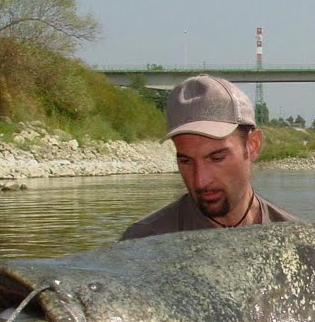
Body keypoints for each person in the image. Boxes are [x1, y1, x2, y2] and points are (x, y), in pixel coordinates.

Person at [121, 74, 296, 240]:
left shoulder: (297, 240)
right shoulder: (143, 242)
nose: (200, 181)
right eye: (186, 161)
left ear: (253, 145)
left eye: (217, 158)